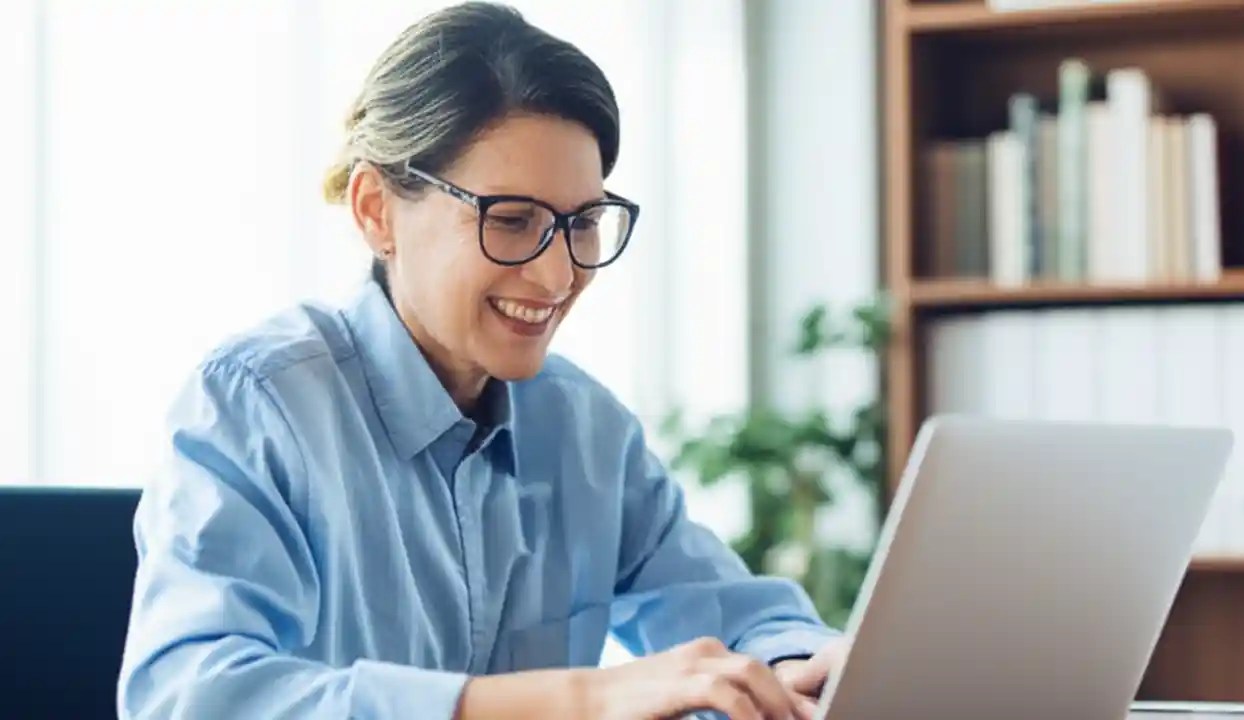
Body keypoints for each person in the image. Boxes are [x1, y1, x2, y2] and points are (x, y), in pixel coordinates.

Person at [117, 3, 845, 718]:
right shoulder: (256, 405)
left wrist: (800, 670)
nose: (558, 276)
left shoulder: (584, 428)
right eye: (512, 220)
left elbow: (734, 614)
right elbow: (188, 697)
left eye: (582, 224)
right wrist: (579, 700)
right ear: (376, 210)